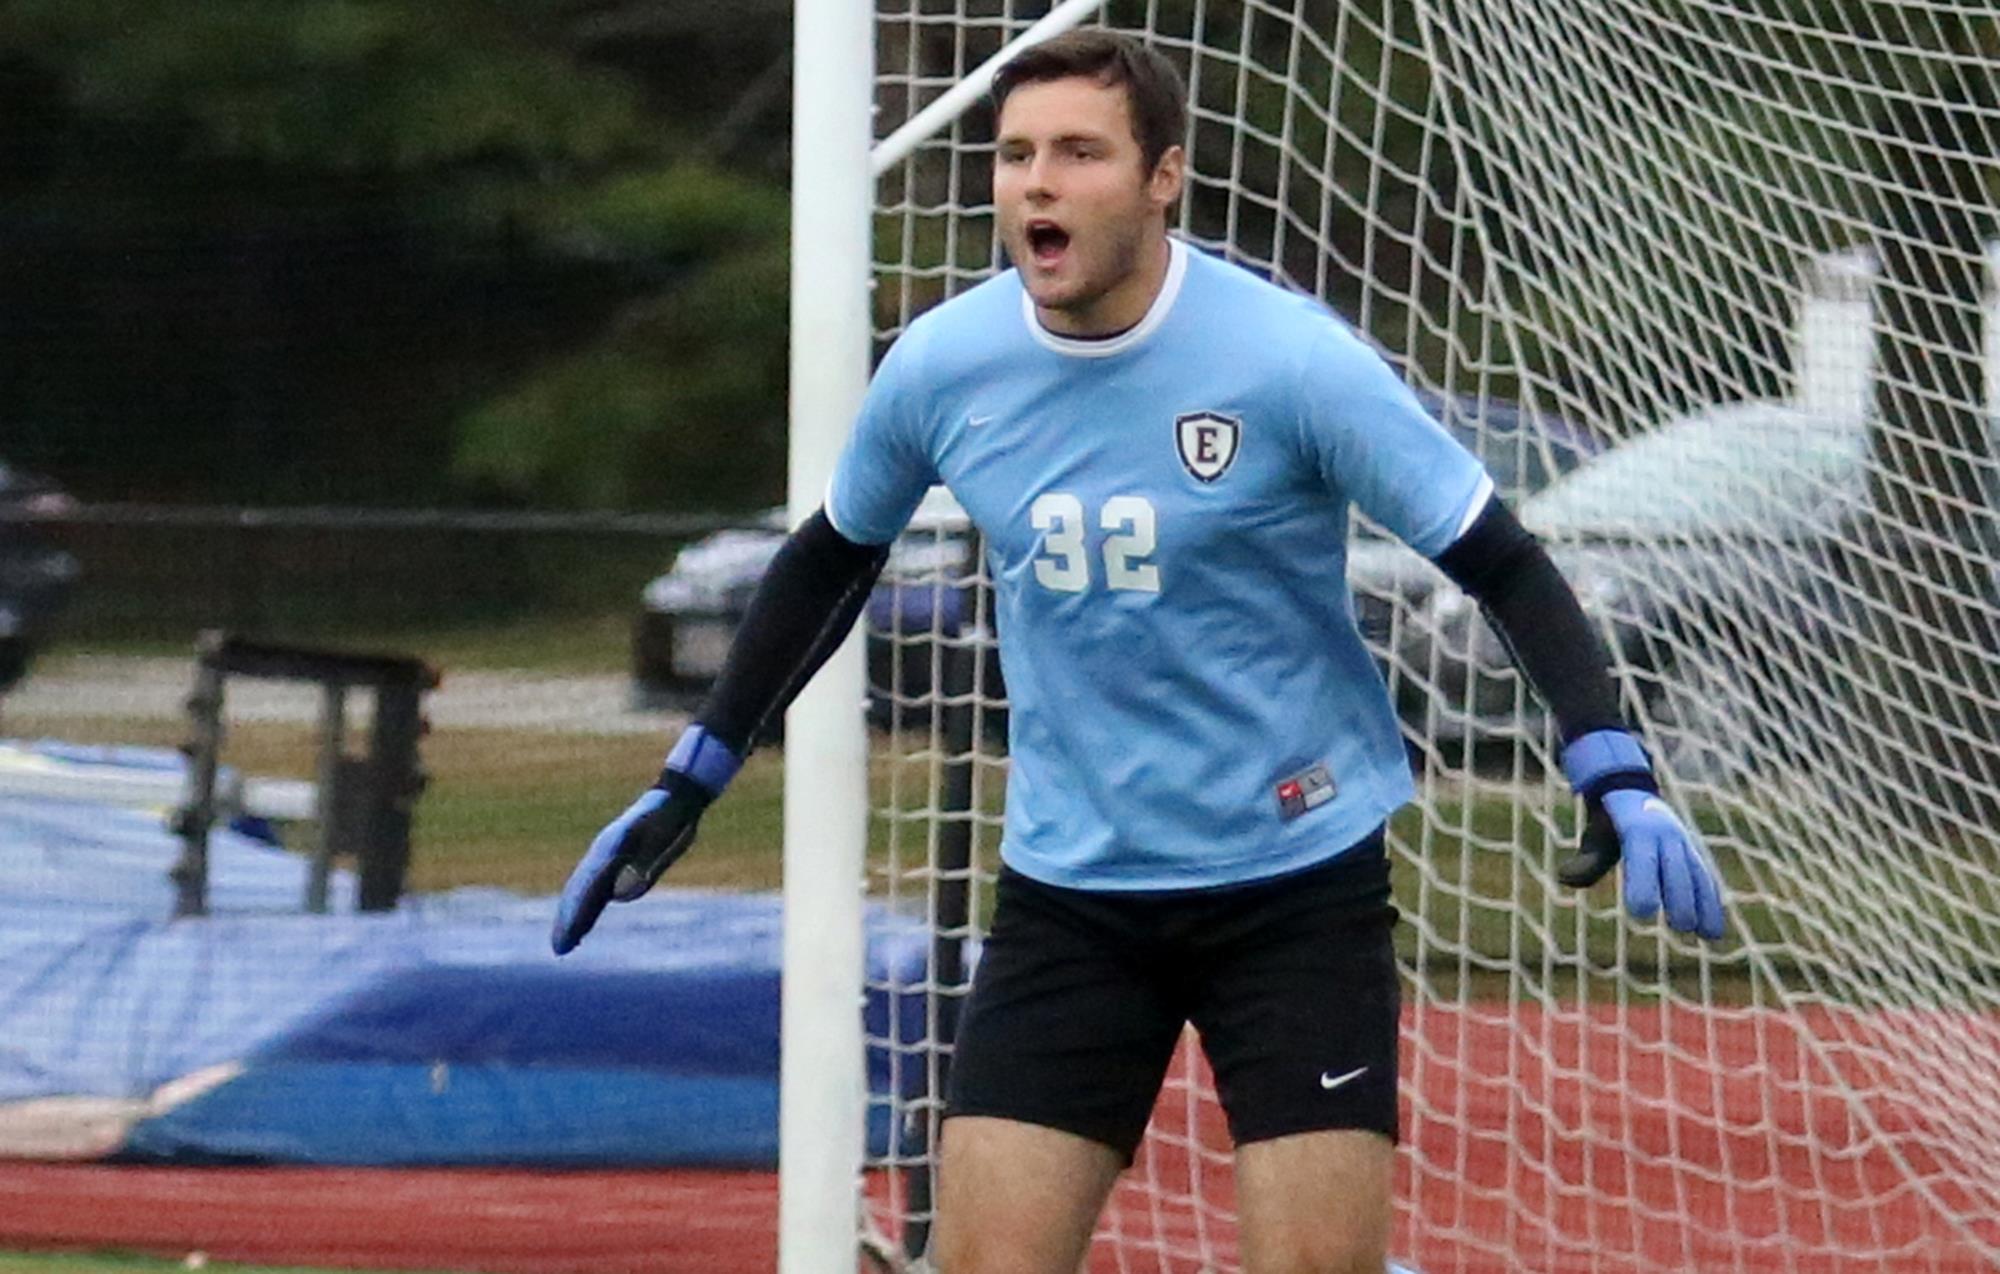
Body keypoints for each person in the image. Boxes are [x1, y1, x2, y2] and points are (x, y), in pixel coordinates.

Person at [552, 29, 1726, 1274]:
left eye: (1077, 152)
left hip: (1293, 882)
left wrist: (1611, 760)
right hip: (1073, 894)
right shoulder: (947, 363)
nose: (1035, 184)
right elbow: (828, 557)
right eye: (1012, 155)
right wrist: (693, 771)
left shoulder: (1288, 358)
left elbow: (1501, 560)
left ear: (1161, 177)